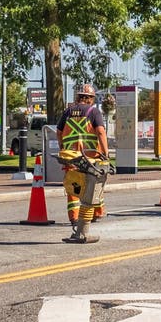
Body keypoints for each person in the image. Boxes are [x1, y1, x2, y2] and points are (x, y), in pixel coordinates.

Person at [56, 83, 110, 244]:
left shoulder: (67, 112)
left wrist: (63, 147)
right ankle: (95, 213)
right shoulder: (93, 112)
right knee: (93, 186)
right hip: (90, 156)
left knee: (74, 186)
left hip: (71, 155)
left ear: (77, 97)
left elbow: (59, 132)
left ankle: (74, 217)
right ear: (91, 99)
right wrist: (106, 154)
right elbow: (100, 132)